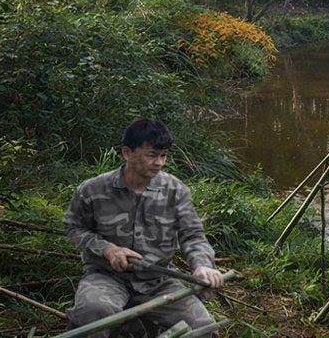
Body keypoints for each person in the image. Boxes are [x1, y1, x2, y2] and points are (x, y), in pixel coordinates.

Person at [64, 118, 224, 336]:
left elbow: (193, 236)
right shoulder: (93, 190)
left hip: (159, 281)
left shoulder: (175, 191)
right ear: (127, 152)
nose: (159, 162)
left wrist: (202, 265)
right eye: (151, 155)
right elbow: (74, 228)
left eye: (163, 155)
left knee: (202, 329)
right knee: (92, 312)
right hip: (106, 276)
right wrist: (107, 249)